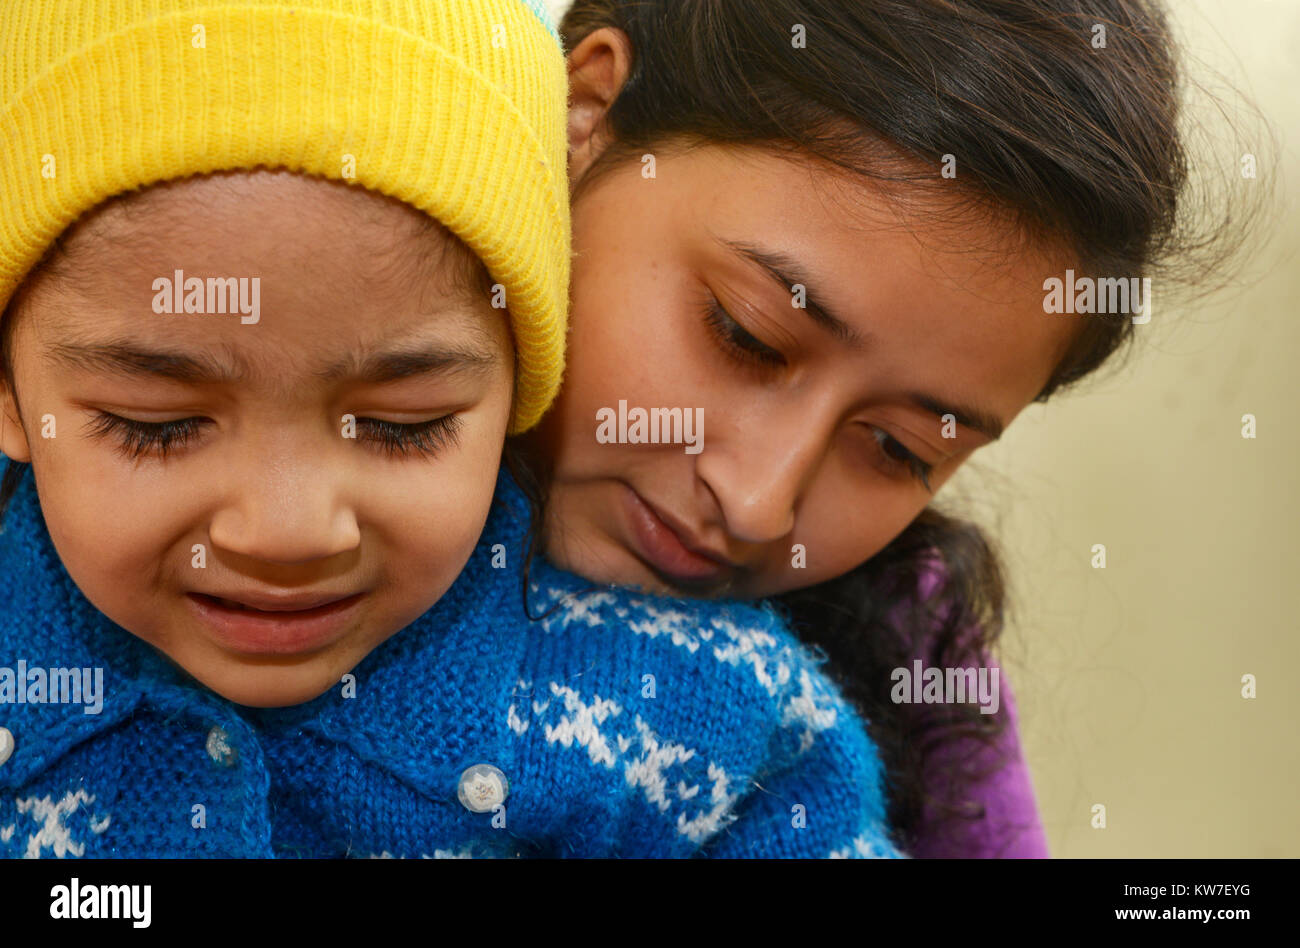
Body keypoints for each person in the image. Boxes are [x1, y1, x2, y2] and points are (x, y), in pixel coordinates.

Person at [0, 0, 897, 859]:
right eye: (155, 427)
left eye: (403, 428)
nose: (288, 531)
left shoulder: (703, 717)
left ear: (519, 393)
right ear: (10, 395)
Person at [517, 0, 1261, 856]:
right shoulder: (340, 515)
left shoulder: (913, 654)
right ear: (587, 114)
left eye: (900, 449)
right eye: (746, 335)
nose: (759, 504)